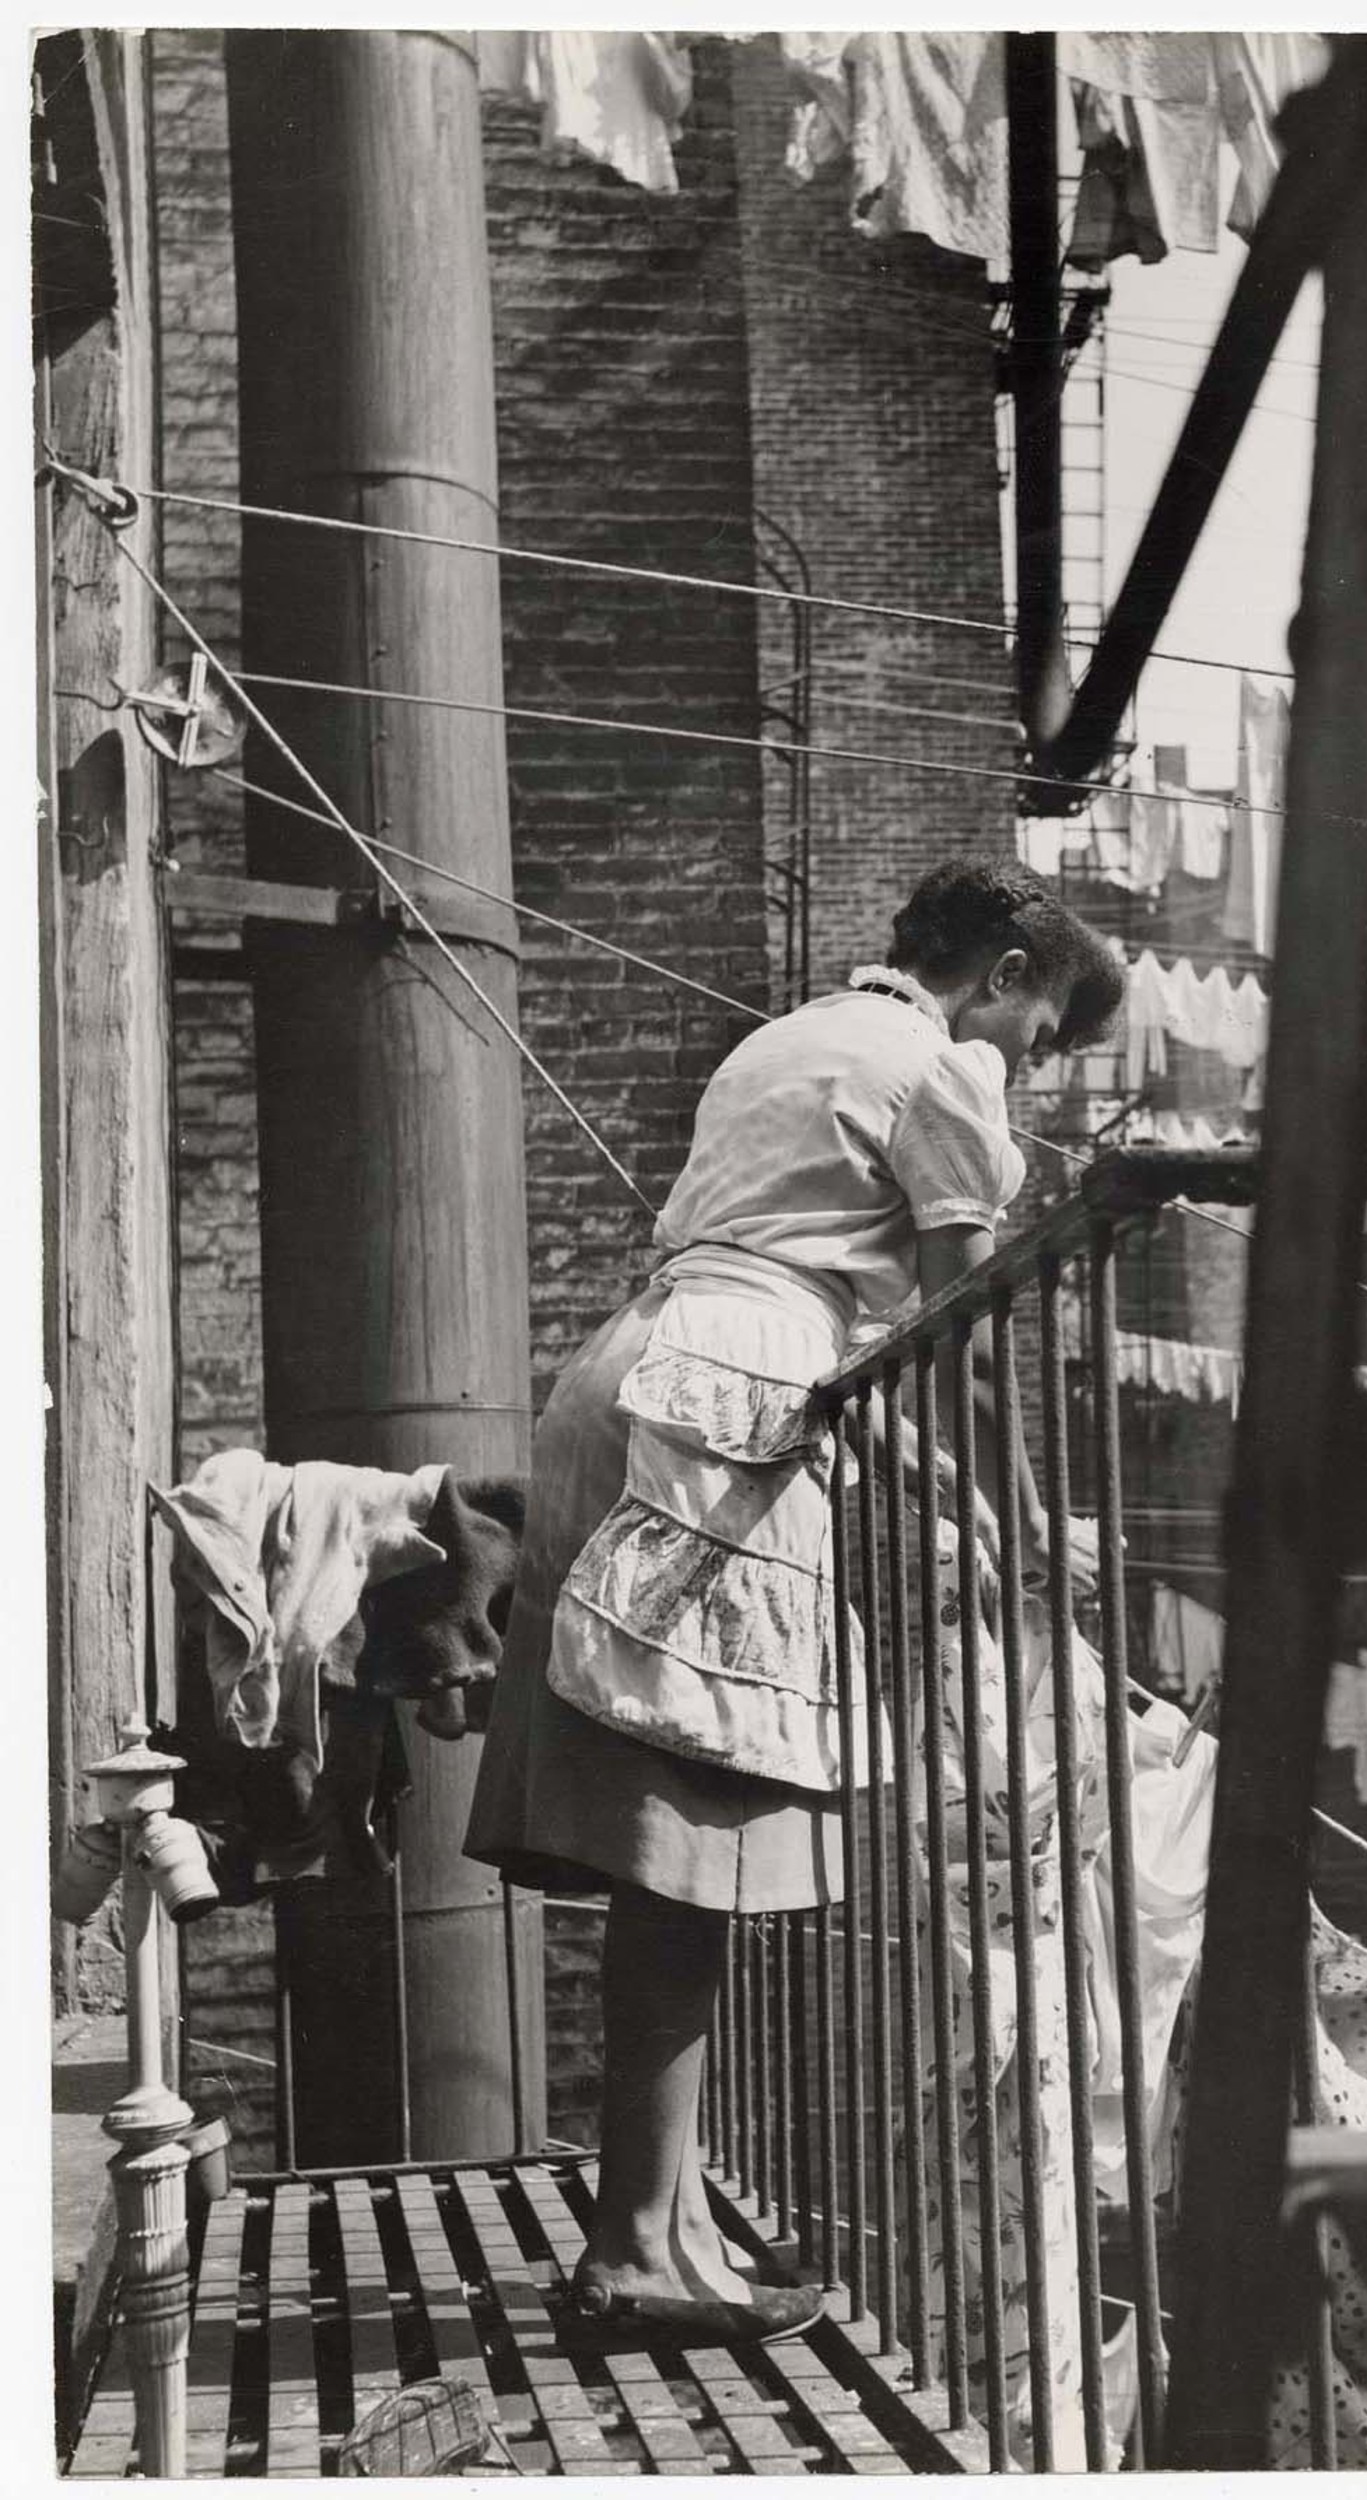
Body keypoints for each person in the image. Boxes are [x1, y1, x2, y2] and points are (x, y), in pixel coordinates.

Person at [465, 857, 1123, 2340]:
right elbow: (956, 1340)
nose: (1027, 1066)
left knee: (671, 1854)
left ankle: (671, 2221)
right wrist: (1025, 1526)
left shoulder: (789, 1039)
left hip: (634, 1383)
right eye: (1040, 1032)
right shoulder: (944, 1065)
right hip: (721, 1422)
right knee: (691, 1856)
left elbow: (821, 1322)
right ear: (1006, 975)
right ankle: (637, 2246)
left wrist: (973, 1512)